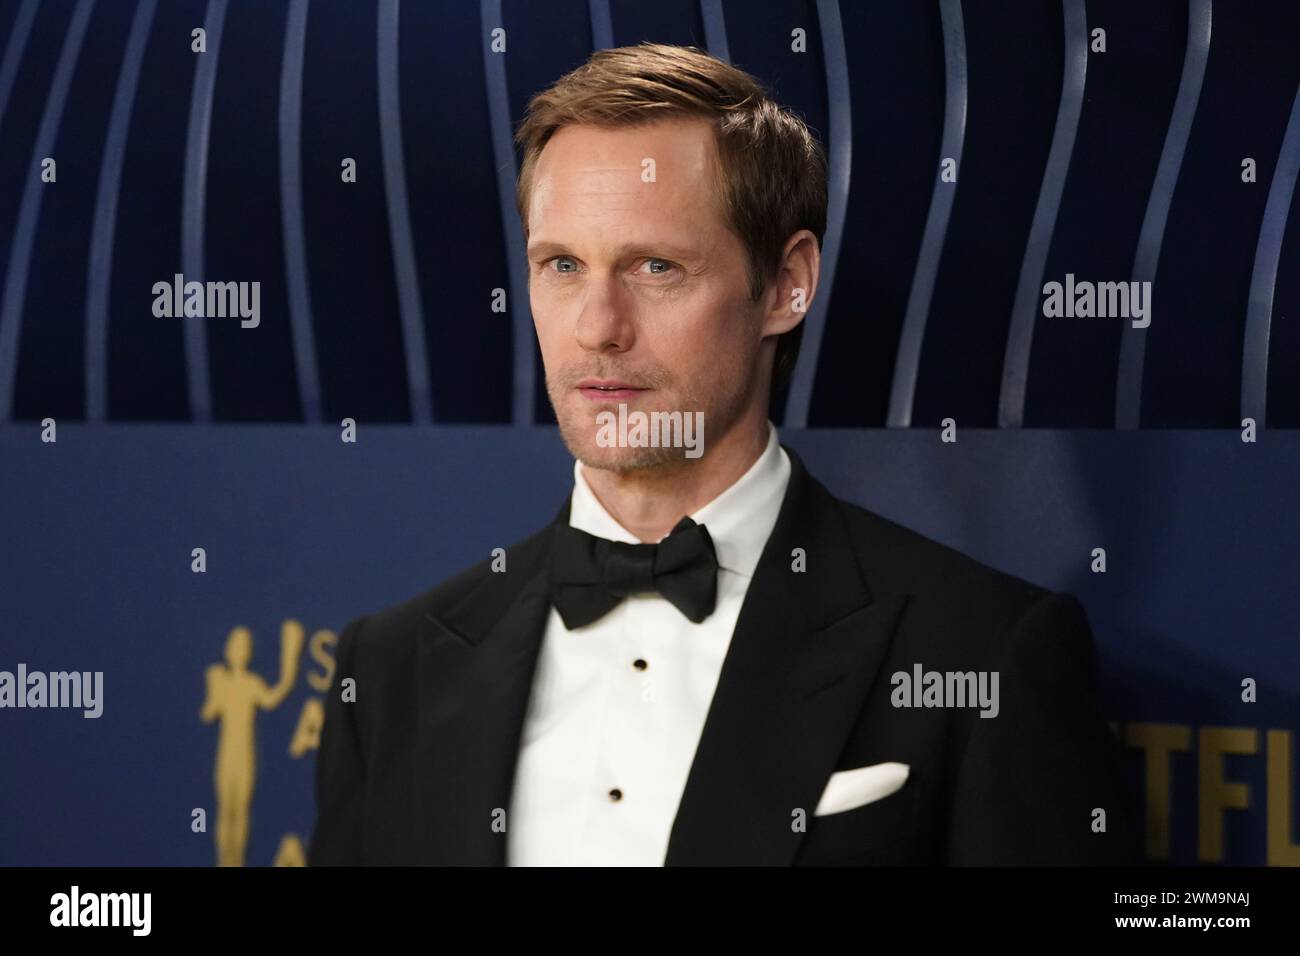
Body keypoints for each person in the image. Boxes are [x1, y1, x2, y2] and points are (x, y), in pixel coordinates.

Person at [308, 43, 1138, 866]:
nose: (597, 326)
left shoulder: (985, 652)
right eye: (562, 265)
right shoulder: (389, 671)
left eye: (657, 267)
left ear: (786, 285)